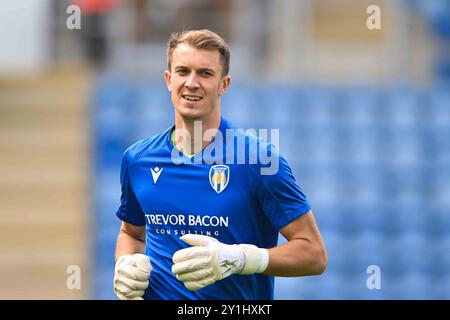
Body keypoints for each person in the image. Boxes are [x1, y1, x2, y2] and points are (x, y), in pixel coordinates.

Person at [113, 29, 327, 300]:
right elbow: (131, 232)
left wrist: (241, 258)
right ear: (168, 79)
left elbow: (314, 254)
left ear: (224, 84)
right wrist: (124, 263)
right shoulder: (137, 160)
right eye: (182, 71)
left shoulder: (259, 161)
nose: (191, 83)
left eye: (205, 73)